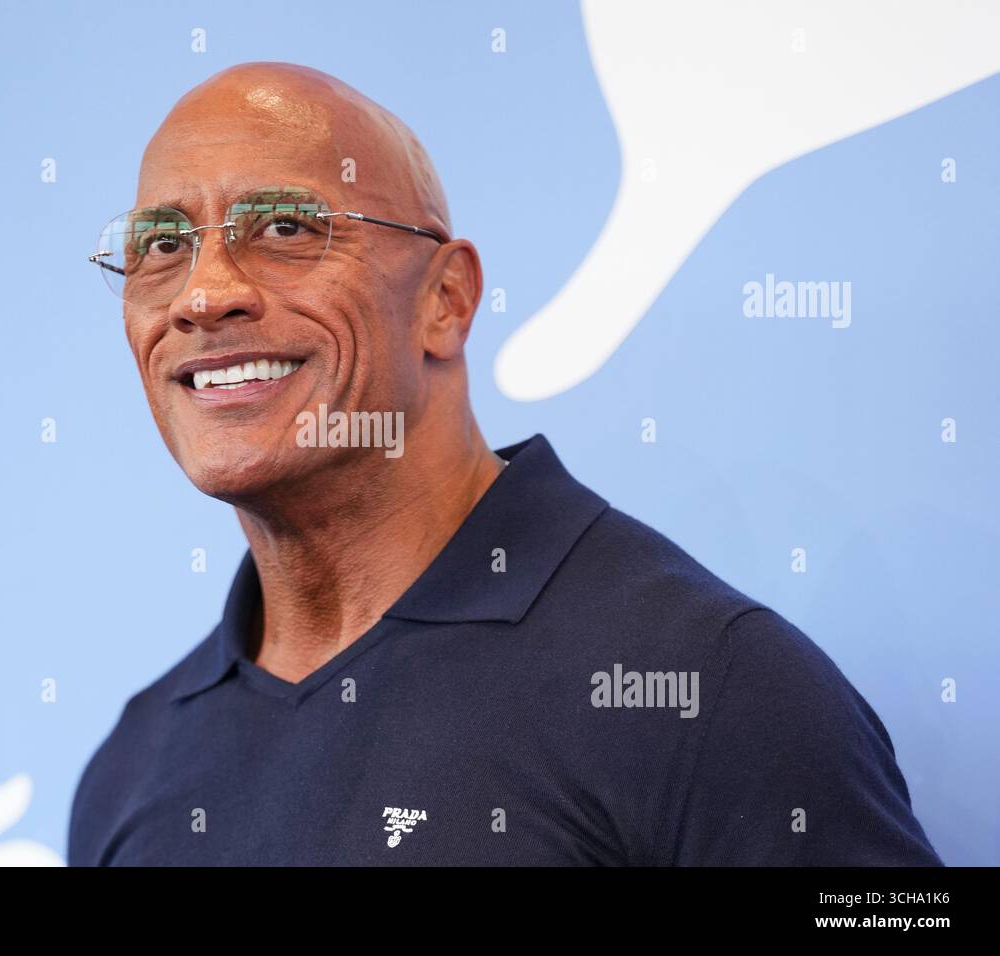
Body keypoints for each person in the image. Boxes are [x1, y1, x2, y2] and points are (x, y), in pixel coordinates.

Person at [68, 61, 941, 866]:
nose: (205, 292)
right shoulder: (134, 765)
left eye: (286, 228)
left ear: (445, 300)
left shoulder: (710, 686)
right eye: (161, 245)